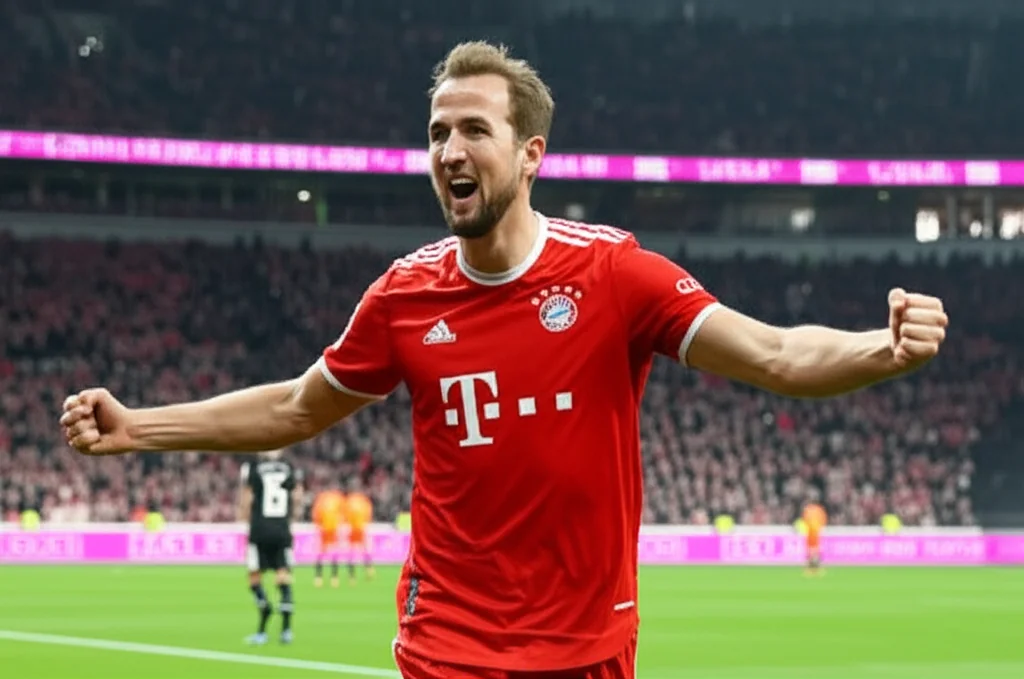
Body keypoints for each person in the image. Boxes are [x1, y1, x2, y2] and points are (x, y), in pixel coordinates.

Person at [60, 40, 949, 678]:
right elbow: (298, 407)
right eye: (437, 132)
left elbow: (777, 353)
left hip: (587, 646)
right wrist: (138, 427)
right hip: (447, 643)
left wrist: (882, 348)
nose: (449, 150)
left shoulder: (613, 273)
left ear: (529, 156)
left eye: (473, 130)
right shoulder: (403, 296)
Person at [238, 450, 303, 645]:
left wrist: (245, 520)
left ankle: (263, 626)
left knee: (254, 578)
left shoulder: (253, 467)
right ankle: (286, 630)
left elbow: (246, 500)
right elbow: (298, 497)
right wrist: (290, 520)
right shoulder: (289, 467)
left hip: (259, 529)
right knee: (283, 577)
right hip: (282, 529)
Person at [311, 483, 346, 588]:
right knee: (327, 553)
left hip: (330, 529)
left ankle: (322, 577)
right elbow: (343, 513)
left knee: (326, 553)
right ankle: (329, 577)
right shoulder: (335, 498)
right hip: (327, 529)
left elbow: (315, 513)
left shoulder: (326, 498)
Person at [344, 478, 375, 585]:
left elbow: (345, 515)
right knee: (362, 550)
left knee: (352, 552)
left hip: (354, 529)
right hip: (359, 528)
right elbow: (368, 514)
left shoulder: (349, 500)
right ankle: (368, 570)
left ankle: (352, 575)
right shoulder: (363, 500)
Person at [802, 501, 828, 576]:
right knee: (815, 551)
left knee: (811, 551)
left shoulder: (808, 509)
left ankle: (810, 569)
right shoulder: (819, 509)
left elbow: (805, 519)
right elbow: (823, 520)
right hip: (815, 532)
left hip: (810, 532)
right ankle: (815, 569)